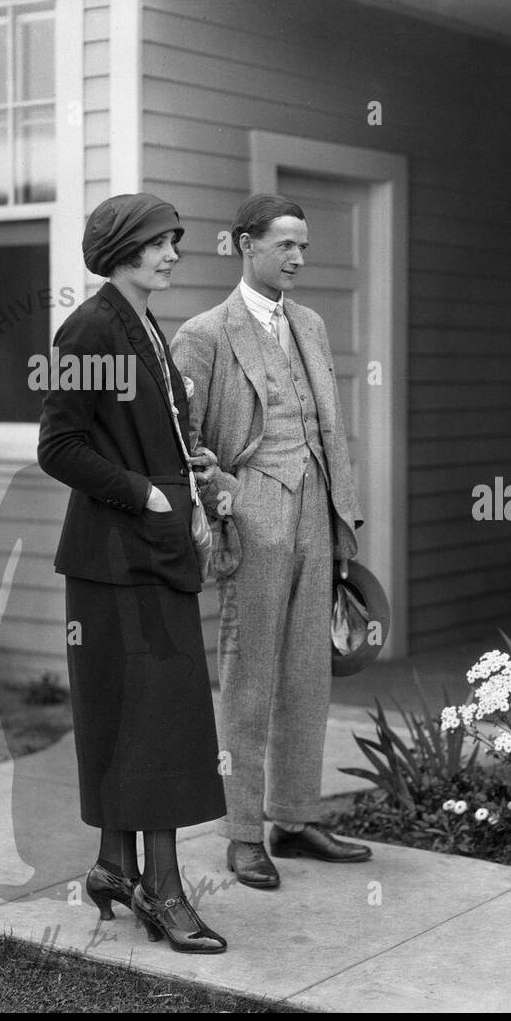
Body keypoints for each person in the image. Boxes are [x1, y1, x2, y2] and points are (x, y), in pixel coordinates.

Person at [37, 193, 227, 952]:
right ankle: (164, 891)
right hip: (115, 562)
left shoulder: (147, 325)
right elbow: (59, 446)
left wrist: (192, 470)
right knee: (156, 723)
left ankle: (116, 866)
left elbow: (151, 431)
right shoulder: (90, 327)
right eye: (158, 244)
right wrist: (146, 492)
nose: (173, 253)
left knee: (144, 716)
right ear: (122, 250)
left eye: (174, 241)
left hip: (154, 553)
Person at [172, 193, 371, 890]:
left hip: (315, 505)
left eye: (304, 247)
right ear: (242, 245)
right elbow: (183, 442)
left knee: (307, 674)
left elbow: (329, 429)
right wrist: (224, 494)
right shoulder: (205, 333)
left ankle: (294, 817)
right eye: (284, 244)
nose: (297, 258)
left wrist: (342, 522)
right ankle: (243, 832)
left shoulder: (309, 325)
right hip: (254, 508)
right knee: (250, 675)